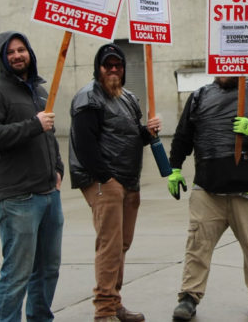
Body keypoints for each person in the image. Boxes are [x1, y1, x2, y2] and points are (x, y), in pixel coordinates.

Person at [166, 76, 248, 321]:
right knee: (197, 245)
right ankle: (189, 296)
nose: (225, 73)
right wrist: (174, 168)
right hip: (208, 189)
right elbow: (183, 135)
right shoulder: (199, 97)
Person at [0, 31, 64, 322]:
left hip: (49, 194)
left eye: (21, 49)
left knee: (48, 269)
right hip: (17, 198)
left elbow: (48, 134)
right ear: (2, 57)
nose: (16, 55)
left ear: (29, 52)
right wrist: (32, 125)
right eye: (10, 52)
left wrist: (58, 168)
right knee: (17, 274)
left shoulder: (37, 90)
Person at [68, 44, 160, 322]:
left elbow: (130, 137)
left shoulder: (128, 98)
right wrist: (107, 179)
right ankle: (104, 310)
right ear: (98, 68)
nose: (113, 70)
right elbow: (84, 145)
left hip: (129, 180)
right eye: (107, 65)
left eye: (117, 65)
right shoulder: (88, 99)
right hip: (104, 181)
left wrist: (148, 132)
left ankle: (115, 302)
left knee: (122, 244)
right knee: (110, 245)